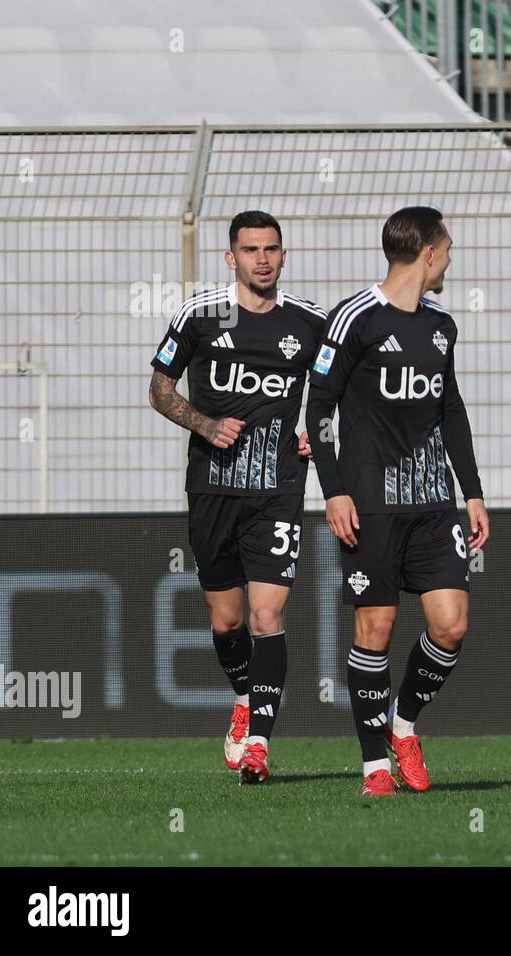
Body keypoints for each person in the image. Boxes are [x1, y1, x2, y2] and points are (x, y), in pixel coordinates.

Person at [306, 206, 489, 796]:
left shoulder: (441, 323)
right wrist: (333, 489)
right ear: (429, 253)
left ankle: (403, 724)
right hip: (370, 504)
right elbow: (318, 408)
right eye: (448, 248)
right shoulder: (353, 318)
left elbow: (450, 409)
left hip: (435, 503)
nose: (451, 258)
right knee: (376, 628)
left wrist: (473, 493)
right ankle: (374, 768)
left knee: (452, 625)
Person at [148, 210, 326, 783]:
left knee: (266, 614)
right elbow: (159, 388)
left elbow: (343, 386)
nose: (263, 259)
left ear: (283, 254)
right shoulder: (200, 316)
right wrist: (203, 424)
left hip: (278, 489)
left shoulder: (310, 322)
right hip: (213, 490)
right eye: (251, 250)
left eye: (272, 249)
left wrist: (320, 434)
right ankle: (247, 696)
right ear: (232, 258)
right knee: (226, 624)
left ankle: (258, 745)